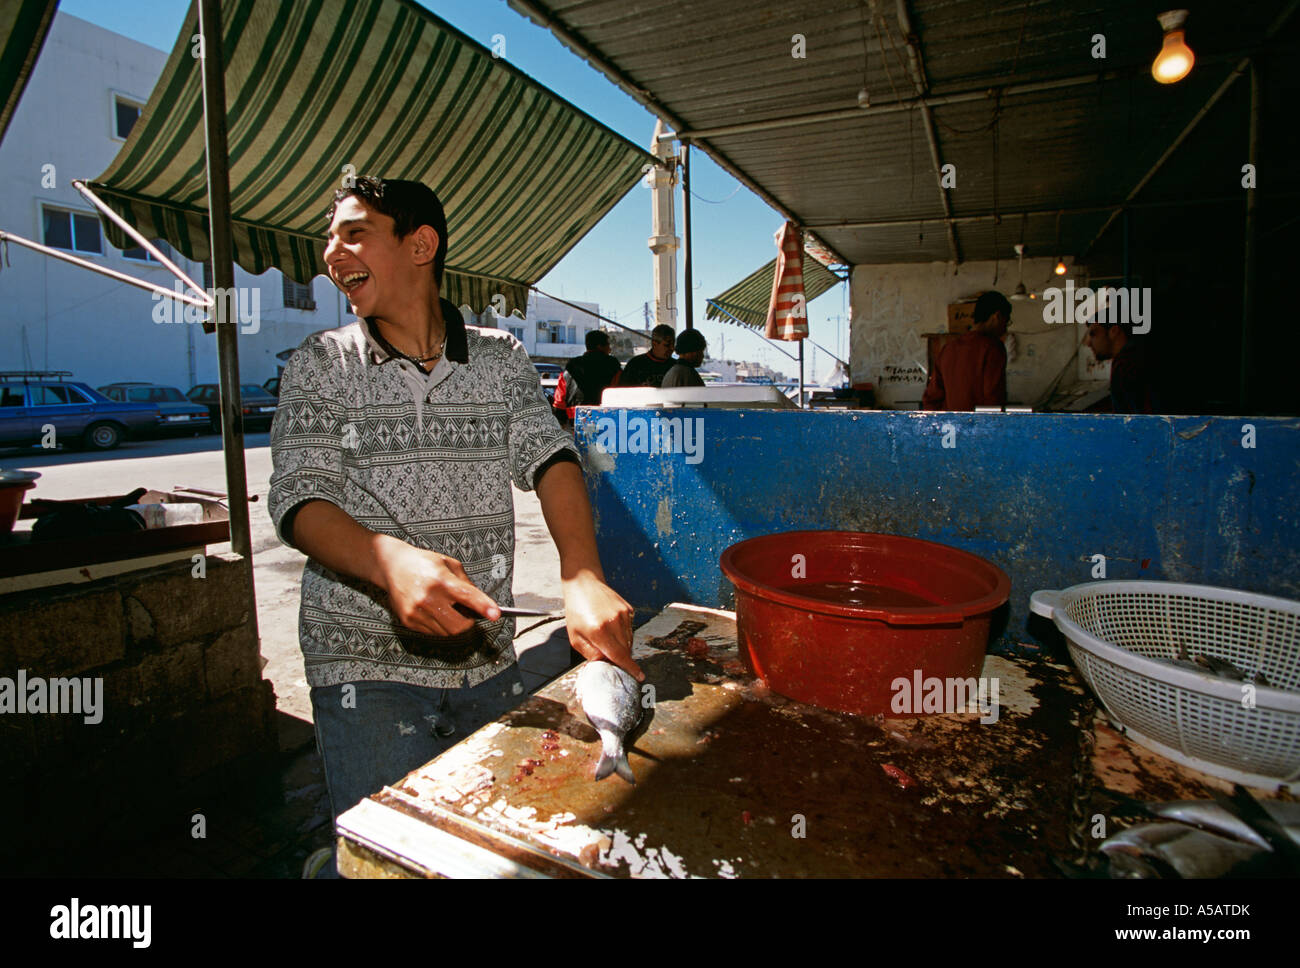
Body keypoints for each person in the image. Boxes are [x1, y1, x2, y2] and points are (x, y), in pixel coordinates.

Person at [268, 176, 642, 876]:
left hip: (486, 656)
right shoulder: (321, 364)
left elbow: (552, 458)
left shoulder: (500, 357)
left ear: (420, 244)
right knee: (392, 856)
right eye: (328, 238)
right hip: (360, 667)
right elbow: (298, 499)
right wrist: (387, 565)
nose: (330, 253)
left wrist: (582, 574)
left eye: (352, 232)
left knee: (491, 849)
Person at [921, 291, 1011, 411]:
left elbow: (931, 399)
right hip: (979, 426)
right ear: (997, 317)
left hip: (951, 426)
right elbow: (993, 399)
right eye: (1006, 322)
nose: (1005, 329)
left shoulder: (949, 349)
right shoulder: (993, 348)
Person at [1084, 320, 1162, 414]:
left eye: (1093, 334)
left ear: (1114, 331)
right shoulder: (1133, 358)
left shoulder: (1127, 364)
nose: (1088, 343)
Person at [558, 330, 622, 423]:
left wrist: (561, 420)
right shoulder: (612, 364)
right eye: (608, 345)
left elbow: (560, 397)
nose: (610, 349)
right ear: (599, 346)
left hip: (574, 418)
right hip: (603, 418)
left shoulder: (572, 365)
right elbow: (618, 390)